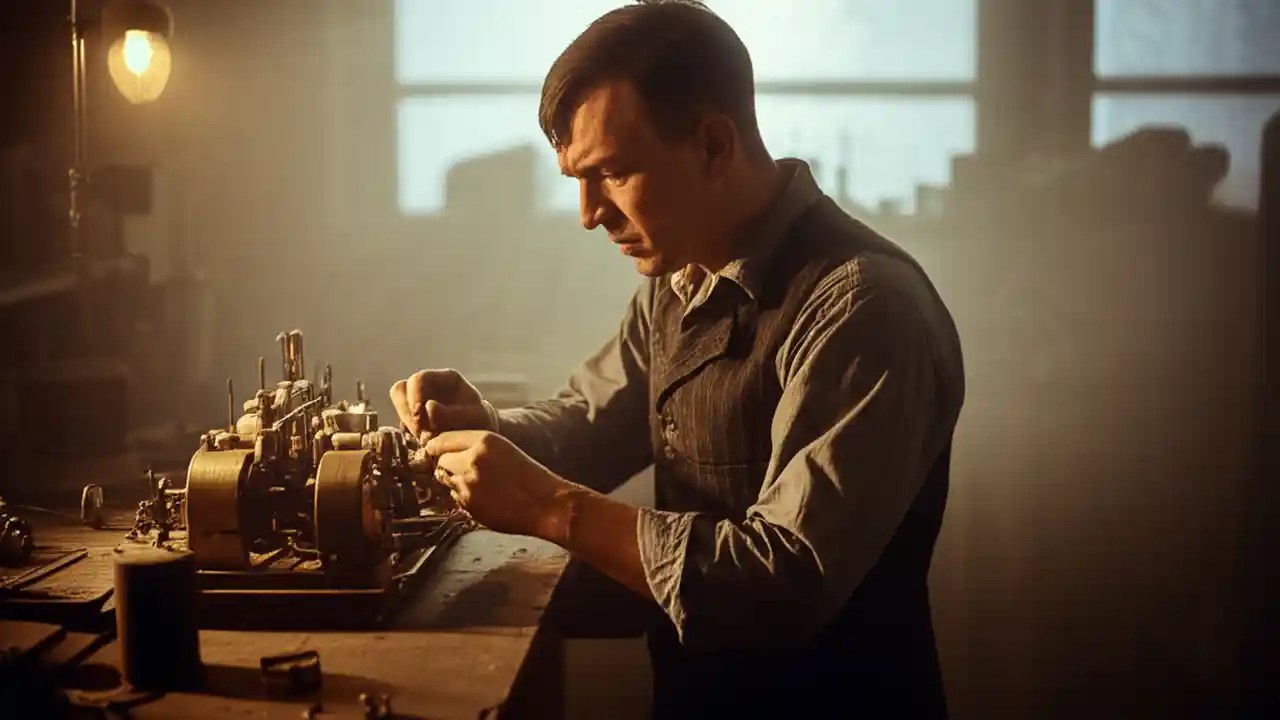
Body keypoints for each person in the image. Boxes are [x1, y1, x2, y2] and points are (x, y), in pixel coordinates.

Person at [390, 2, 964, 716]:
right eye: (575, 178)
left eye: (613, 173)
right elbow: (588, 424)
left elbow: (784, 582)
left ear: (714, 146)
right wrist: (488, 429)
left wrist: (544, 504)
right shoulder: (681, 275)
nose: (589, 214)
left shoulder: (864, 309)